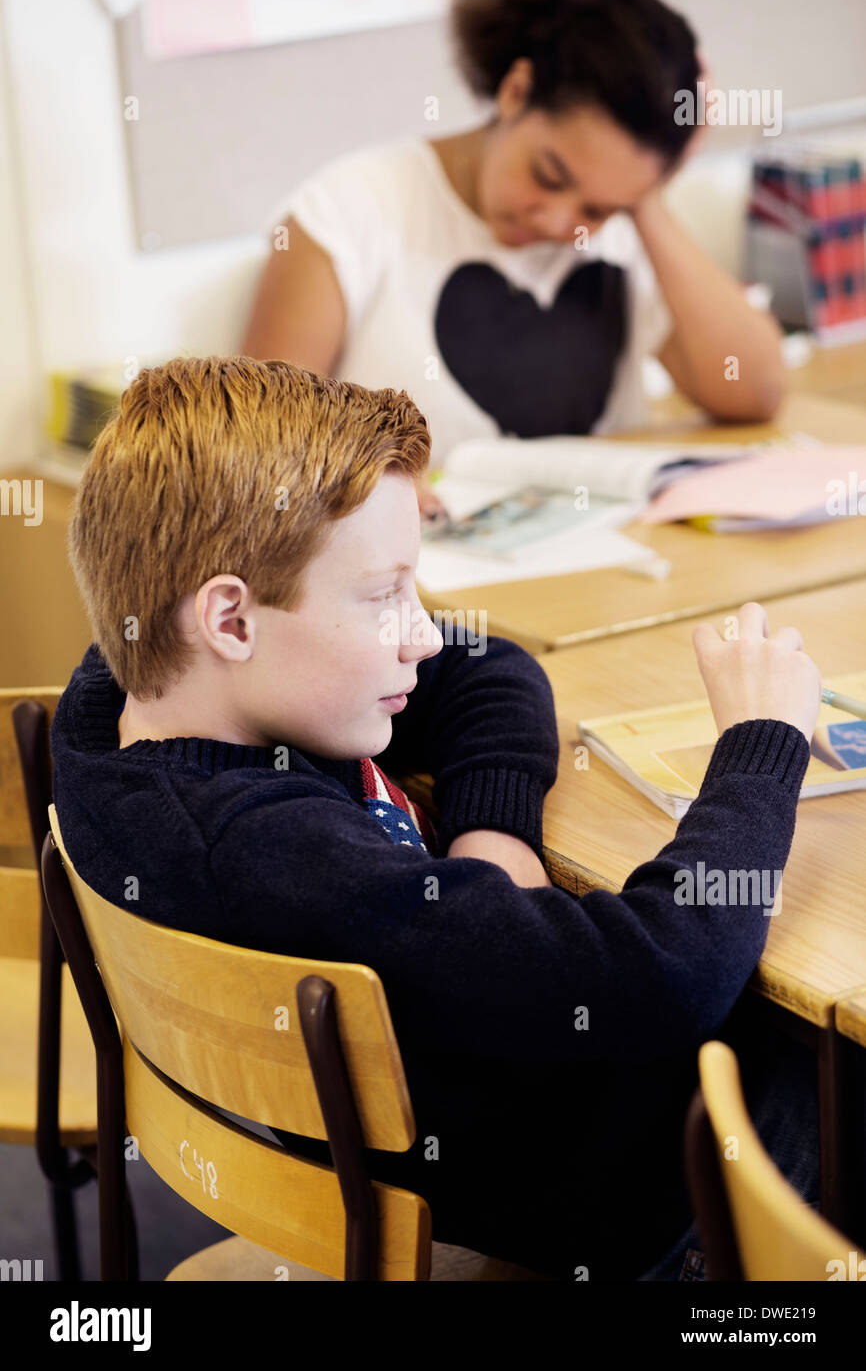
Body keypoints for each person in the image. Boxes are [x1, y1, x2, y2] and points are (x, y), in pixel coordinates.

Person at [52, 355, 820, 1281]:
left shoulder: (129, 698)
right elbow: (666, 972)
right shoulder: (278, 854)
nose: (420, 630)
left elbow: (491, 665)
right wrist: (761, 741)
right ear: (232, 620)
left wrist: (491, 837)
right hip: (625, 1204)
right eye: (383, 596)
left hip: (458, 1148)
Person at [240, 0, 784, 521]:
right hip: (423, 589)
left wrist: (646, 201)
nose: (556, 221)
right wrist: (366, 490)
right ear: (515, 92)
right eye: (548, 175)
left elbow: (753, 393)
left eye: (595, 210)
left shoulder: (624, 222)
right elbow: (254, 453)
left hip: (611, 573)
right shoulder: (346, 214)